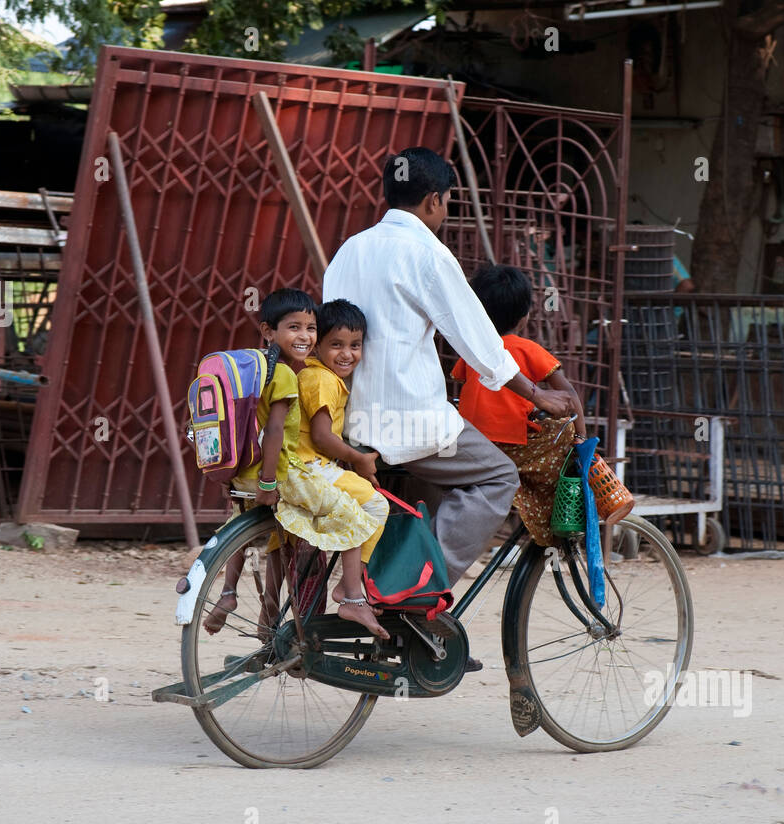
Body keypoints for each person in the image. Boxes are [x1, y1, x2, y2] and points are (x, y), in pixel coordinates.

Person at [324, 146, 574, 672]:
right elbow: (481, 341)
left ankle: (393, 591)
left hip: (348, 420)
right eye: (447, 204)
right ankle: (419, 596)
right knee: (496, 478)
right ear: (435, 200)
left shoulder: (349, 249)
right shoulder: (429, 254)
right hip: (409, 420)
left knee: (418, 496)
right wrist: (538, 395)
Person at [204, 288, 386, 638]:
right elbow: (302, 434)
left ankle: (241, 603)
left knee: (271, 540)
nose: (304, 336)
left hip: (251, 469)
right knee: (362, 510)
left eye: (310, 327)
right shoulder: (300, 375)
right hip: (290, 470)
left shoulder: (260, 367)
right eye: (295, 328)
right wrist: (272, 481)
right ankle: (351, 594)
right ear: (269, 331)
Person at [453, 264, 586, 546]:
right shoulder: (528, 348)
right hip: (514, 446)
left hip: (472, 442)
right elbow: (569, 393)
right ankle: (545, 529)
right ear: (525, 316)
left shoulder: (474, 351)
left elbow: (461, 380)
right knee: (559, 457)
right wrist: (581, 436)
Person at [295, 299, 390, 566]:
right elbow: (322, 436)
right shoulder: (324, 379)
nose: (347, 354)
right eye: (336, 344)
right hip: (311, 467)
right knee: (376, 506)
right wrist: (358, 459)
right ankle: (351, 589)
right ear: (317, 346)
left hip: (298, 466)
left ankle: (269, 602)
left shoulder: (313, 375)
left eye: (355, 345)